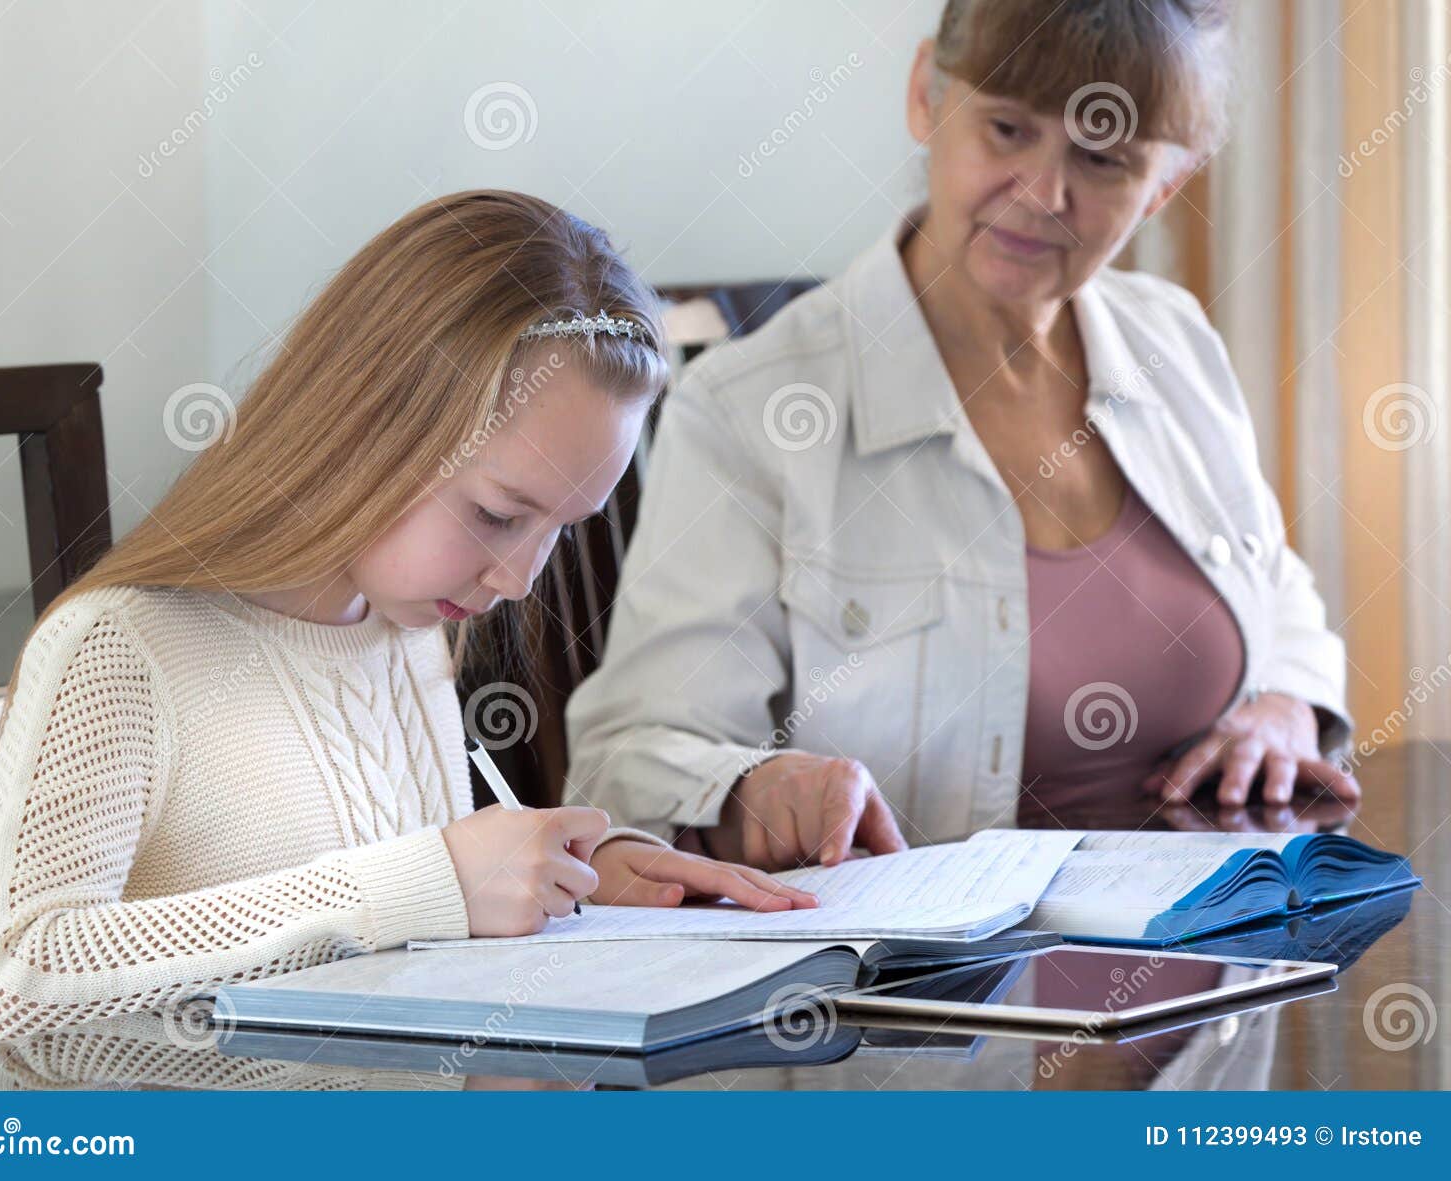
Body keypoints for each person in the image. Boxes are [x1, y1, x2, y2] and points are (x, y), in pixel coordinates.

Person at [0, 190, 815, 1046]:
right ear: (373, 426)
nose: (519, 578)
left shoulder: (405, 635)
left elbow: (400, 952)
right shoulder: (118, 649)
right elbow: (6, 983)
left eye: (562, 527)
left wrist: (576, 886)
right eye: (500, 513)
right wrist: (429, 880)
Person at [565, 0, 1358, 868]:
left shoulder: (1175, 340)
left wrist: (1287, 698)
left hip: (1224, 956)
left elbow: (1274, 582)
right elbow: (626, 767)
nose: (1041, 194)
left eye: (1102, 157)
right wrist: (754, 792)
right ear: (926, 97)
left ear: (1162, 186)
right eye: (1008, 129)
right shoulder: (747, 408)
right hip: (931, 987)